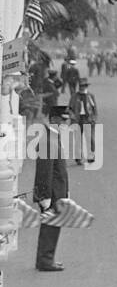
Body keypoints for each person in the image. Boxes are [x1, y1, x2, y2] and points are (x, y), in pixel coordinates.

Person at [33, 90, 73, 271]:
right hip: (51, 194)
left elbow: (58, 170)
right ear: (55, 120)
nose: (67, 124)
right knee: (50, 226)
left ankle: (46, 259)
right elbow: (44, 171)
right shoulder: (48, 140)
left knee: (53, 226)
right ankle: (45, 261)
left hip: (56, 192)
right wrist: (45, 196)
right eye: (64, 121)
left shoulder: (52, 138)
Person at [69, 78, 98, 166]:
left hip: (88, 119)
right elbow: (69, 108)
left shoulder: (90, 96)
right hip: (77, 119)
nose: (82, 87)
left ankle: (91, 156)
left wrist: (94, 119)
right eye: (81, 86)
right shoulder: (74, 96)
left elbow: (95, 109)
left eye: (84, 86)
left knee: (90, 138)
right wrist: (72, 116)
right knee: (78, 139)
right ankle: (78, 158)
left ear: (86, 86)